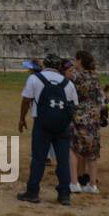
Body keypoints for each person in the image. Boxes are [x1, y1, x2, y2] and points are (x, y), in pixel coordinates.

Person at [16, 53, 78, 206]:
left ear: (45, 65)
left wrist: (22, 117)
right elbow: (74, 106)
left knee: (38, 159)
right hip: (62, 125)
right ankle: (64, 194)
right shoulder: (67, 82)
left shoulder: (35, 79)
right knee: (63, 160)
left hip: (42, 123)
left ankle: (33, 191)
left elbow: (26, 100)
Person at [68, 50, 103, 194]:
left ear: (79, 60)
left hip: (79, 114)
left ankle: (74, 182)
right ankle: (92, 184)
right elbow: (100, 96)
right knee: (92, 151)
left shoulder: (75, 76)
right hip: (93, 116)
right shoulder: (95, 76)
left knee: (73, 149)